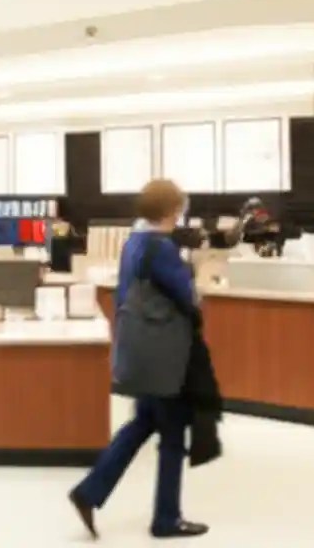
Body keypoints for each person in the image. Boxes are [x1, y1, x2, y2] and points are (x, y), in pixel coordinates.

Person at [69, 179, 209, 540]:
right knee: (173, 434)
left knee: (142, 423)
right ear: (171, 210)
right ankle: (166, 518)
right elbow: (187, 296)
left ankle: (90, 491)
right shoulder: (162, 249)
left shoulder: (134, 243)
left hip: (141, 352)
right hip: (165, 357)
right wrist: (193, 269)